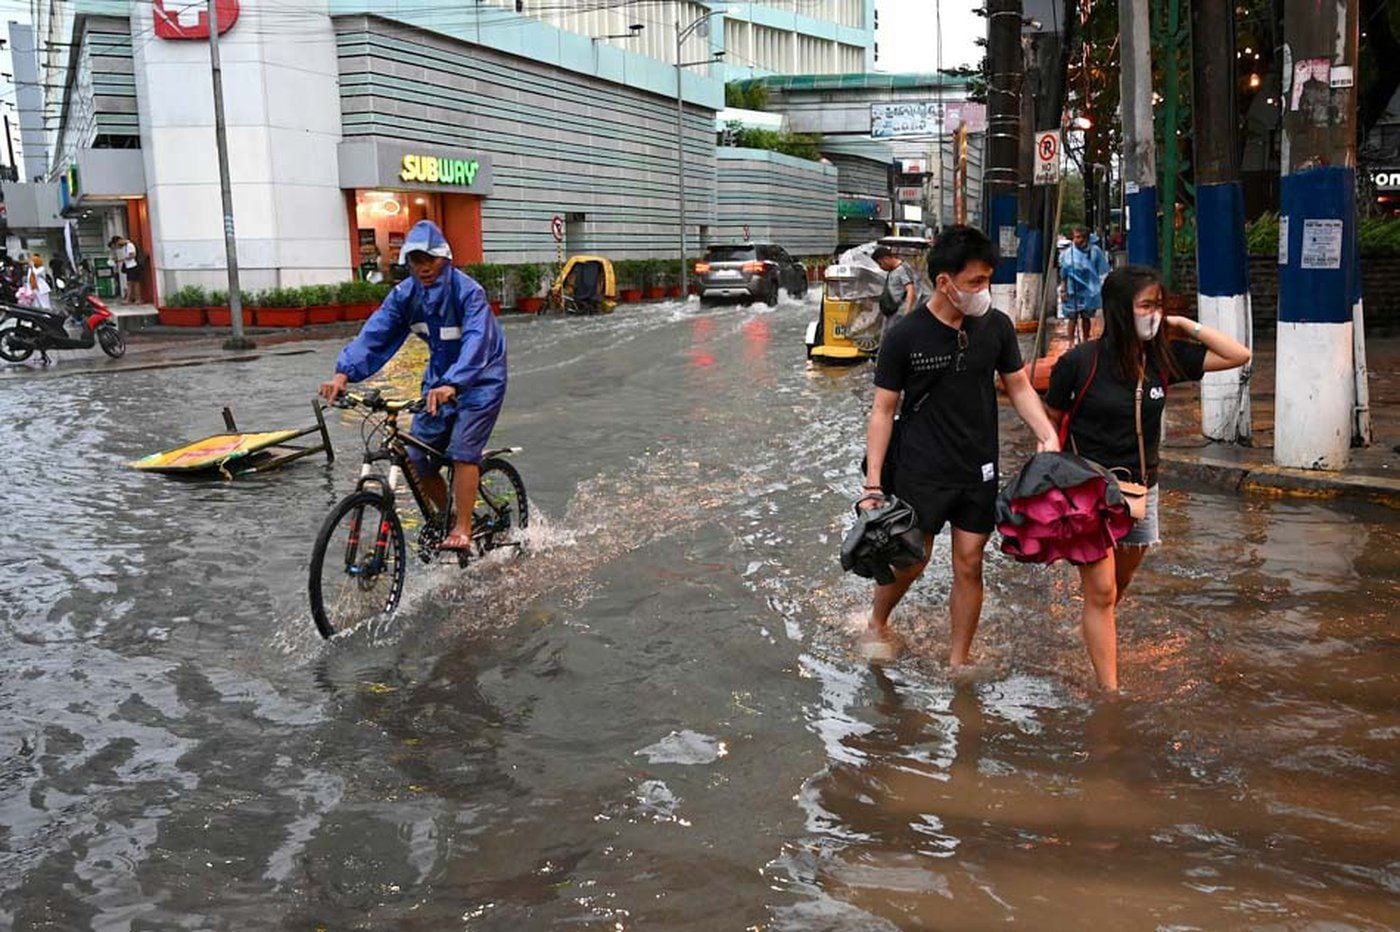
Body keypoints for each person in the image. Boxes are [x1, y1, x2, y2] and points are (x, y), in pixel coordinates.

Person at [1043, 266, 1250, 691]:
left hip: (1141, 491)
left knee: (1116, 586)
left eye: (1159, 305)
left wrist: (1181, 323)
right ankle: (1110, 694)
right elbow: (1052, 421)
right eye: (1146, 306)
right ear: (1120, 310)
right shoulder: (1079, 363)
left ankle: (1093, 629)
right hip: (1089, 495)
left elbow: (1238, 355)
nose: (1154, 314)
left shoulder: (1161, 359)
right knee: (1100, 592)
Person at [862, 226, 1061, 664]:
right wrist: (873, 485)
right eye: (975, 282)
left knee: (970, 561)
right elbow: (882, 410)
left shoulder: (996, 327)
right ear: (945, 282)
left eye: (987, 280)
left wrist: (1047, 434)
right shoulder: (904, 336)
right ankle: (877, 621)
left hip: (978, 468)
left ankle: (959, 658)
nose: (983, 290)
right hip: (921, 468)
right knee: (913, 559)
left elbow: (1020, 386)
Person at [319, 220, 507, 551]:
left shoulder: (468, 293)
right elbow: (376, 332)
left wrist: (455, 383)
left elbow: (477, 341)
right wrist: (342, 374)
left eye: (429, 260)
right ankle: (449, 516)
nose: (423, 268)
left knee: (464, 451)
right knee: (416, 454)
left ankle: (463, 529)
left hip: (481, 377)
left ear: (444, 259)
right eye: (415, 261)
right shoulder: (405, 295)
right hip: (438, 379)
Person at [1058, 225, 1110, 343]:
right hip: (1072, 290)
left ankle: (1086, 340)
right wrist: (1063, 290)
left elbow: (1102, 271)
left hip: (1089, 291)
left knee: (1086, 317)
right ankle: (1070, 342)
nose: (1076, 240)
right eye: (1075, 237)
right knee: (1072, 317)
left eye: (1079, 237)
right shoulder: (1068, 253)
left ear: (1086, 238)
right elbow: (1064, 274)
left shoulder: (1095, 252)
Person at [872, 246, 919, 324]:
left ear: (886, 259)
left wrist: (907, 311)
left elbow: (910, 289)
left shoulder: (902, 269)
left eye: (880, 264)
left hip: (900, 313)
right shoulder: (892, 271)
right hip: (892, 312)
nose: (881, 267)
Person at [108, 235, 143, 304]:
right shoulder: (124, 247)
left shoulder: (129, 245)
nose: (117, 247)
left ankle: (133, 299)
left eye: (117, 245)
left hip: (133, 266)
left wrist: (122, 260)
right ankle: (133, 299)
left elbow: (132, 255)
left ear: (119, 241)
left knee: (133, 283)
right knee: (131, 283)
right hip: (129, 267)